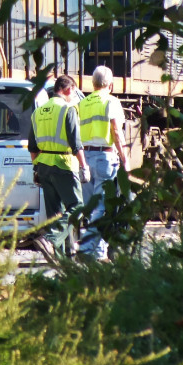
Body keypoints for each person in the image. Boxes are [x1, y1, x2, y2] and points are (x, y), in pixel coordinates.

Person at [29, 74, 89, 257]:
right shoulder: (68, 109)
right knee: (77, 207)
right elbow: (75, 142)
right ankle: (50, 239)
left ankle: (61, 258)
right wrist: (84, 166)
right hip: (64, 165)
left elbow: (32, 147)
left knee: (55, 214)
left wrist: (36, 168)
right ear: (69, 89)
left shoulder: (37, 112)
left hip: (44, 166)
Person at [77, 66, 127, 261]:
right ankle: (90, 250)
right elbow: (116, 131)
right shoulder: (111, 101)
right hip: (105, 159)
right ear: (111, 84)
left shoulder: (83, 103)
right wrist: (124, 159)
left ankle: (94, 251)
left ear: (93, 83)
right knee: (102, 208)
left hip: (86, 158)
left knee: (90, 207)